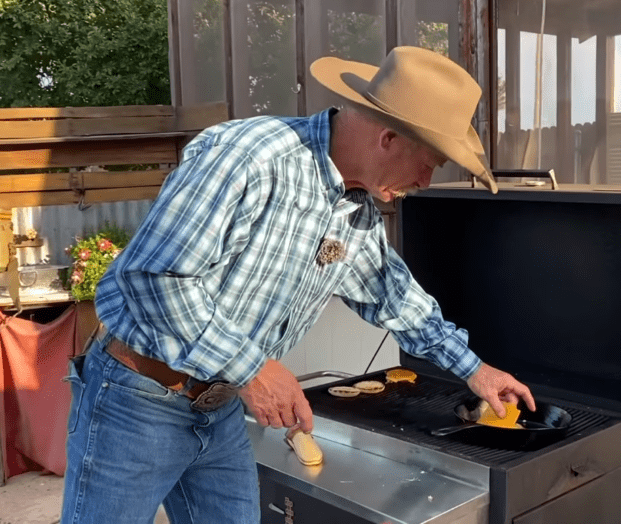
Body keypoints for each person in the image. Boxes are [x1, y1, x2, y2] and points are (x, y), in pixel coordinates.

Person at [60, 46, 536, 524]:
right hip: (136, 399)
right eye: (430, 162)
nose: (427, 181)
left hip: (221, 404)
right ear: (388, 138)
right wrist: (253, 370)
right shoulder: (248, 158)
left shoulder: (356, 209)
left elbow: (393, 295)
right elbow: (153, 277)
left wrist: (476, 370)